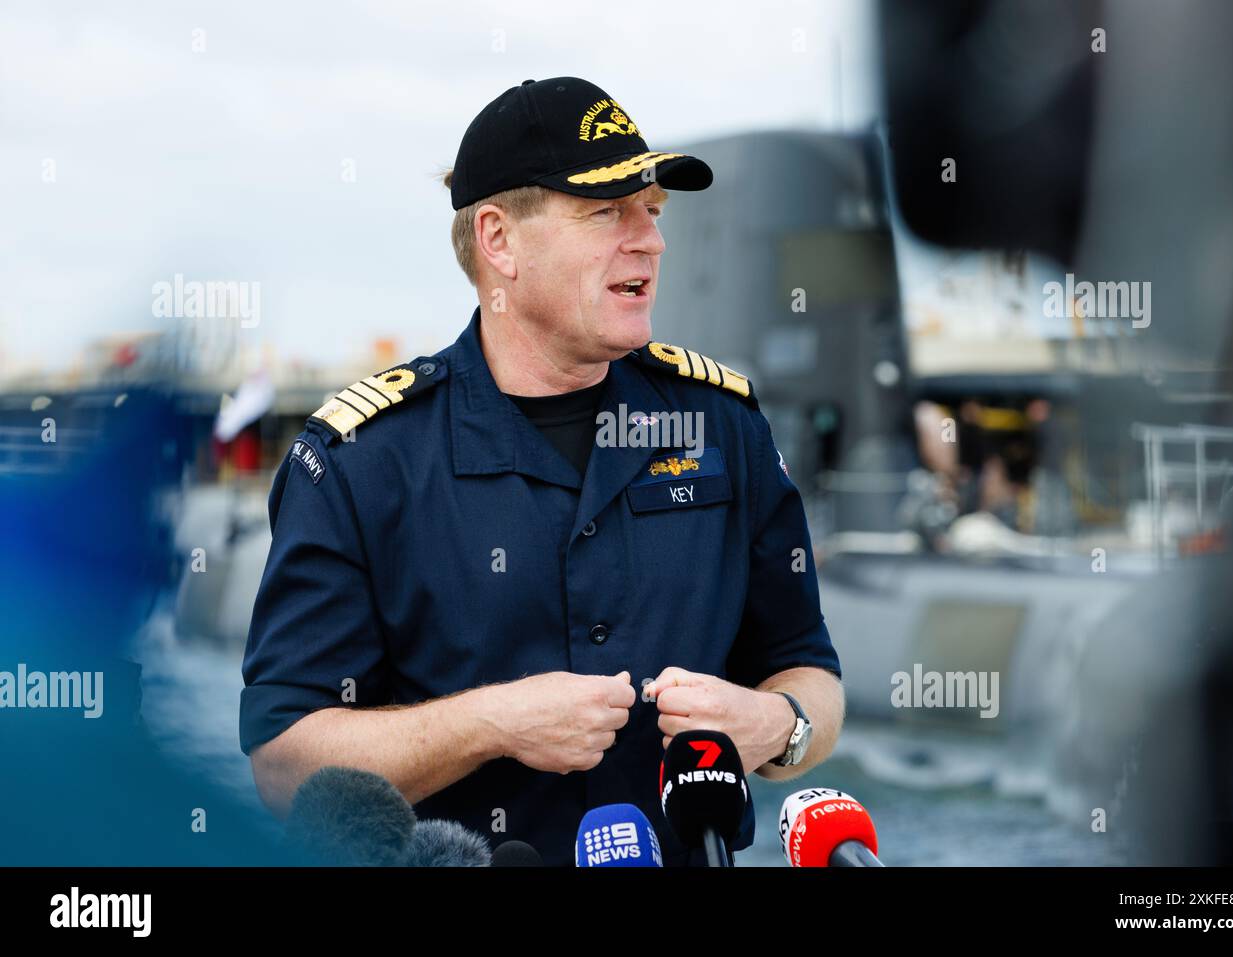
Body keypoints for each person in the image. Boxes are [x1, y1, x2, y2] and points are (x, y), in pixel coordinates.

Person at [240, 76, 844, 866]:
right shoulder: (361, 460)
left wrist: (777, 726)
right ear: (499, 240)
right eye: (606, 212)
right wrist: (491, 723)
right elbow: (284, 761)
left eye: (652, 212)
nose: (651, 241)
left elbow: (808, 667)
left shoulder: (722, 422)